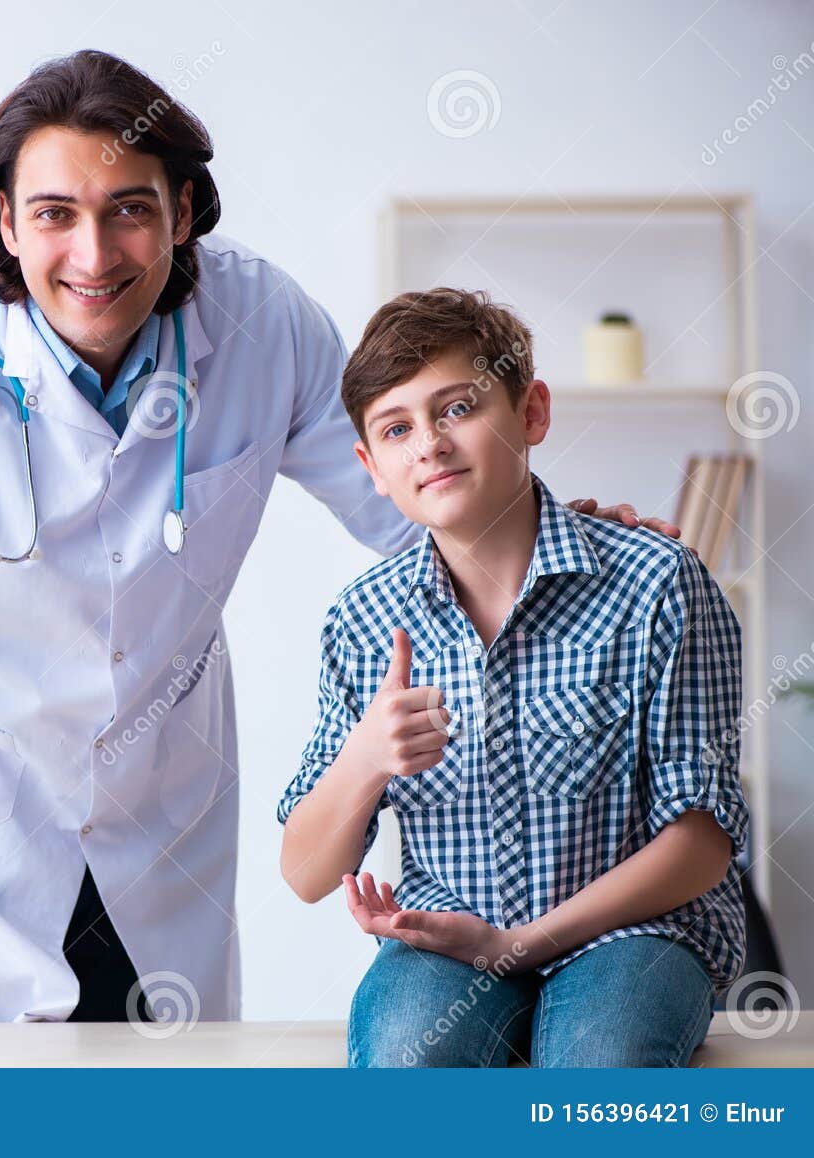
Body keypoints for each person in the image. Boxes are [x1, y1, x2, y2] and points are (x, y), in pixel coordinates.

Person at [0, 50, 675, 1042]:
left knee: (168, 1098)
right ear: (4, 220)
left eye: (129, 208)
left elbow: (410, 509)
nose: (94, 253)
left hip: (158, 806)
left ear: (184, 210)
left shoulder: (259, 324)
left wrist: (568, 541)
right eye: (54, 213)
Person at [276, 287, 746, 1067]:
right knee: (403, 1057)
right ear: (372, 468)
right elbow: (304, 872)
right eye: (397, 429)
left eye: (456, 408)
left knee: (603, 1059)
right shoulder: (362, 622)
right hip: (450, 935)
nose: (427, 443)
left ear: (531, 414)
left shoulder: (657, 581)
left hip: (634, 933)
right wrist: (364, 758)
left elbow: (701, 842)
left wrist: (522, 944)